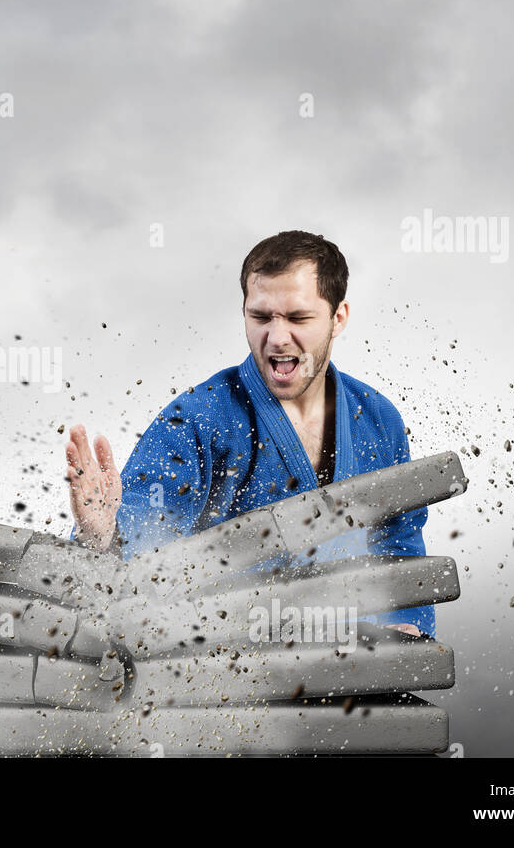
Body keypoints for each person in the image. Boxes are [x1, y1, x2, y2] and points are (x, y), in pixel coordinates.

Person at [64, 230, 432, 637]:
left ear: (338, 317)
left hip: (352, 669)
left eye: (297, 318)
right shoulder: (197, 419)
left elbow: (400, 541)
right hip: (224, 667)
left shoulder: (379, 420)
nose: (276, 338)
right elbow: (144, 535)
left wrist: (407, 629)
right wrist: (103, 537)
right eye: (260, 317)